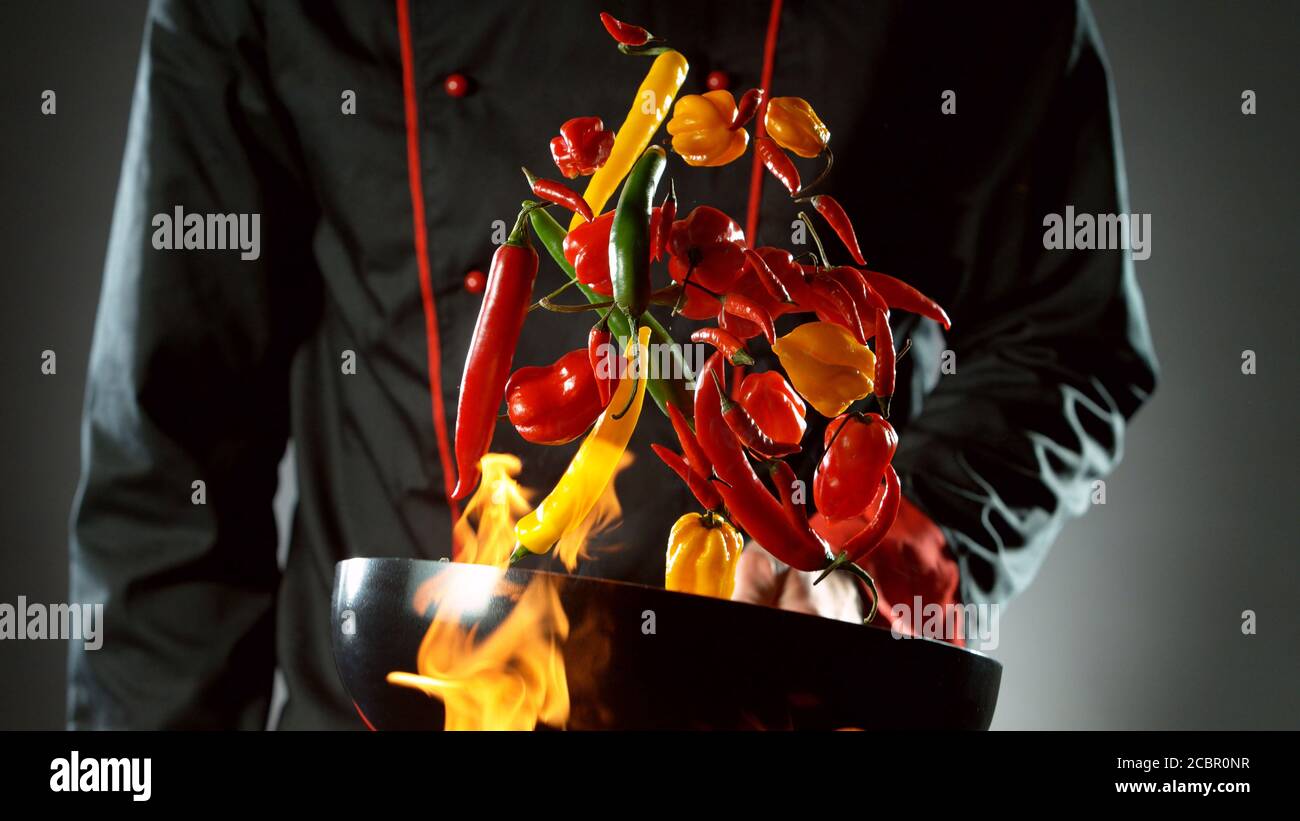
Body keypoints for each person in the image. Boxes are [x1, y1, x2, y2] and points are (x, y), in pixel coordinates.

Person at [70, 0, 1156, 729]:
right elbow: (171, 439)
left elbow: (1065, 330)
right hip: (398, 706)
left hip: (784, 705)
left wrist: (889, 539)